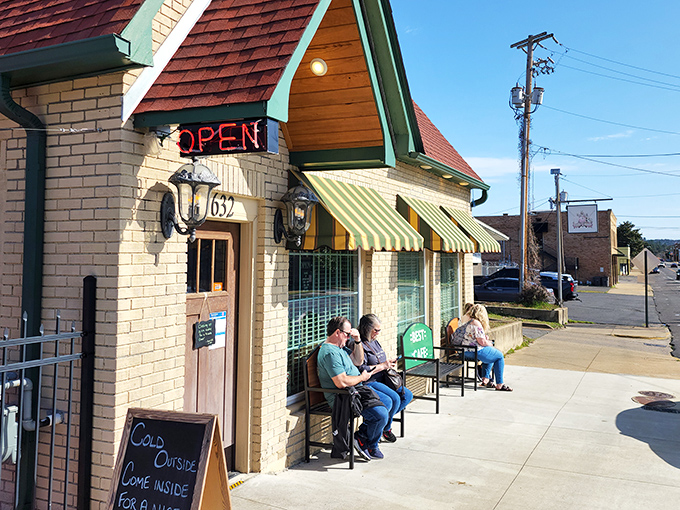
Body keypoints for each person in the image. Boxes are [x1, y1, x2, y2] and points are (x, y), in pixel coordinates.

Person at [317, 316, 390, 460]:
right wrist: (362, 378)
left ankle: (365, 441)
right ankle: (364, 441)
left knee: (387, 403)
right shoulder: (330, 353)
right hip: (343, 397)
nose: (348, 337)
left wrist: (357, 340)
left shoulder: (340, 348)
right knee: (381, 414)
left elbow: (358, 360)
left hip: (356, 390)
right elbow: (341, 382)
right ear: (337, 333)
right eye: (347, 334)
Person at [355, 314, 413, 443]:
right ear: (366, 328)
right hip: (369, 381)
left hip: (382, 378)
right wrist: (382, 366)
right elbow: (362, 369)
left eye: (379, 330)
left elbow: (380, 360)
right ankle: (381, 429)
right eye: (375, 330)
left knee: (407, 395)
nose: (377, 333)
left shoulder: (374, 341)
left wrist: (388, 363)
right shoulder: (359, 344)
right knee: (394, 399)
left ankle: (383, 427)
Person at [452, 304, 513, 391]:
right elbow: (482, 342)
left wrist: (485, 341)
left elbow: (474, 338)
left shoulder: (467, 321)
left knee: (491, 354)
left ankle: (485, 379)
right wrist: (490, 343)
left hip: (463, 350)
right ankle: (499, 384)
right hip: (473, 351)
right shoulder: (476, 323)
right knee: (499, 356)